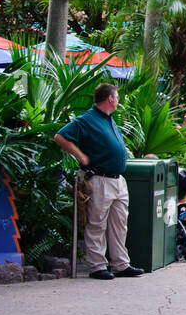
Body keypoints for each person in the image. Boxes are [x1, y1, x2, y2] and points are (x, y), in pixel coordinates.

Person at [53, 83, 144, 279]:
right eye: (117, 97)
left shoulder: (108, 119)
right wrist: (81, 156)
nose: (118, 100)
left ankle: (120, 264)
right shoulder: (87, 119)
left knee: (120, 223)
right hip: (100, 178)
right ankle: (97, 266)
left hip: (118, 179)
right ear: (110, 98)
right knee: (97, 223)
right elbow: (60, 136)